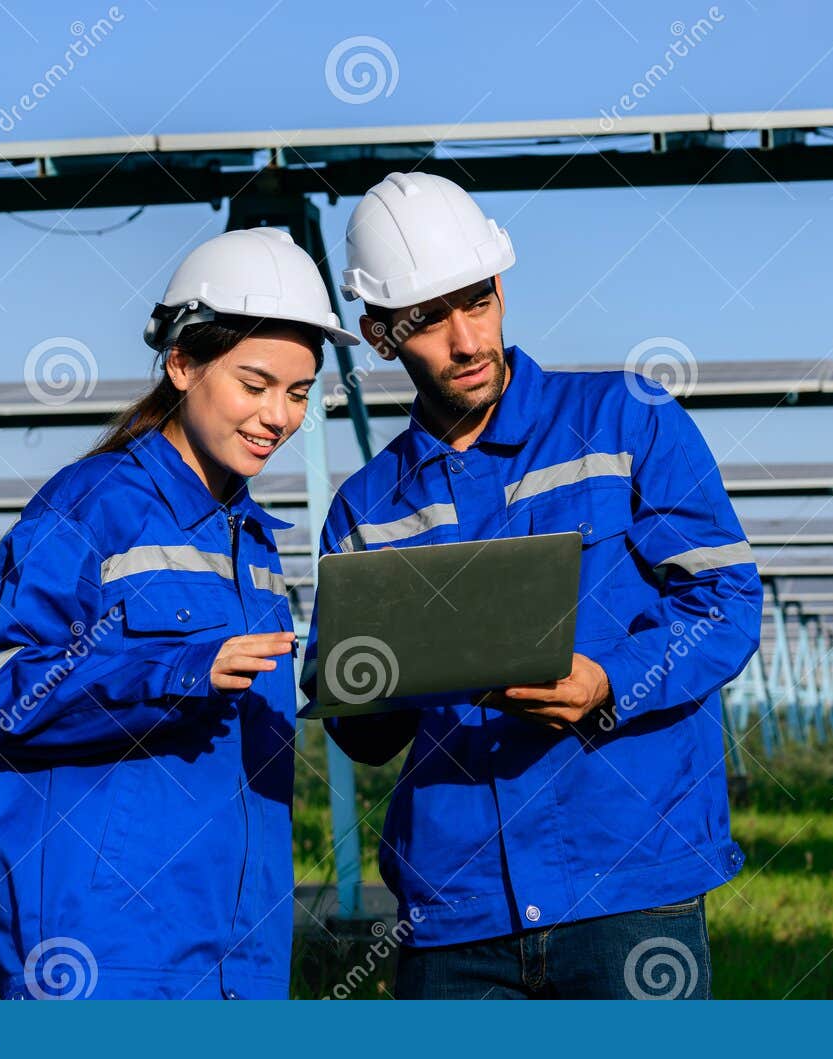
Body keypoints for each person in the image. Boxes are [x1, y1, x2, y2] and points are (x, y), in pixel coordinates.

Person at [300, 172, 763, 999]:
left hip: (627, 887)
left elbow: (725, 603)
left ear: (501, 287)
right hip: (455, 909)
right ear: (377, 335)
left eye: (476, 303)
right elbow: (367, 736)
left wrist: (611, 682)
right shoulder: (365, 509)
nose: (466, 340)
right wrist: (362, 680)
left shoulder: (627, 419)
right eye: (428, 321)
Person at [0, 227, 358, 999]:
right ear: (182, 364)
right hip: (109, 956)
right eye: (255, 383)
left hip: (239, 953)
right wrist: (177, 671)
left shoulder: (254, 545)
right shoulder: (87, 510)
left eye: (299, 392)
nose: (278, 415)